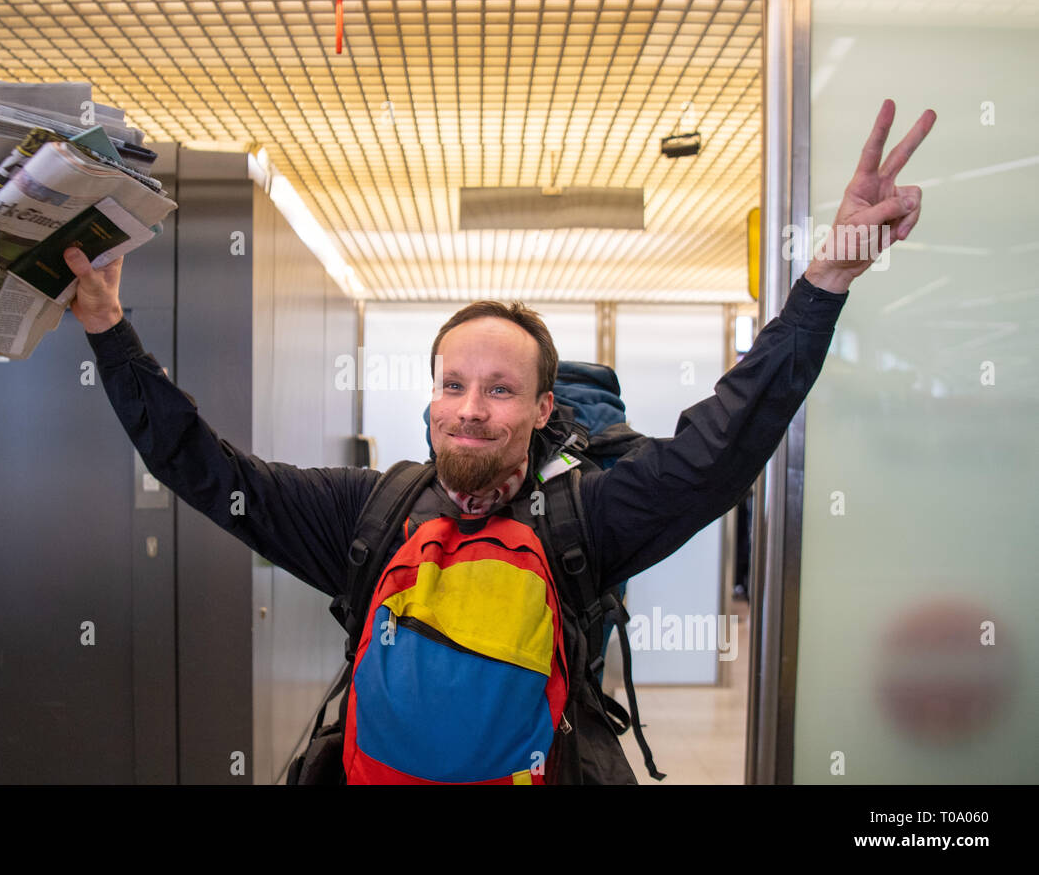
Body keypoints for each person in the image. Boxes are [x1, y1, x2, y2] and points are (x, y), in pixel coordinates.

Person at [64, 99, 935, 784]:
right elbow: (206, 469)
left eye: (500, 389)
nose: (471, 408)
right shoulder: (369, 512)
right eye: (453, 385)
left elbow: (724, 446)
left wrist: (822, 284)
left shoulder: (585, 521)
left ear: (545, 408)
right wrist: (108, 326)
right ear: (432, 397)